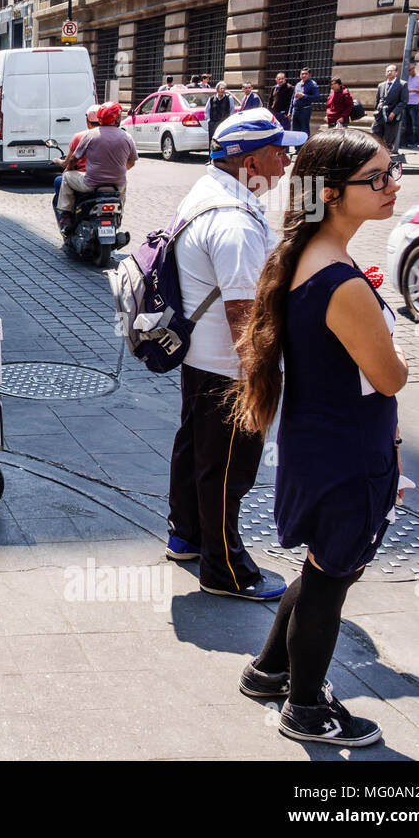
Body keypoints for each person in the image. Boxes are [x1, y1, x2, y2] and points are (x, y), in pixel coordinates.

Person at [232, 127, 404, 747]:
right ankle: (305, 707)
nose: (392, 186)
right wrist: (394, 344)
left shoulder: (304, 254)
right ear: (331, 193)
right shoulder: (341, 281)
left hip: (321, 442)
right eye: (377, 178)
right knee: (331, 583)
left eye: (393, 170)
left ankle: (269, 669)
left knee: (321, 568)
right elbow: (389, 376)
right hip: (348, 454)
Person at [163, 107, 306, 601]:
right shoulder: (235, 223)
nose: (287, 158)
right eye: (278, 149)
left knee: (194, 451)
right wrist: (258, 379)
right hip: (227, 366)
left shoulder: (211, 192)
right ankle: (225, 570)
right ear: (250, 159)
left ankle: (186, 535)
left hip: (202, 360)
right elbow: (245, 314)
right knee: (226, 470)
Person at [54, 102, 137, 231]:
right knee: (124, 182)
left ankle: (65, 215)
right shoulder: (127, 137)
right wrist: (117, 171)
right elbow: (131, 162)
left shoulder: (90, 135)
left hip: (91, 185)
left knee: (65, 177)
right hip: (117, 186)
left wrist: (68, 169)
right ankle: (118, 215)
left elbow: (74, 159)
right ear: (117, 118)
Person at [52, 104, 100, 220]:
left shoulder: (81, 136)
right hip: (110, 181)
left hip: (86, 179)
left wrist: (57, 161)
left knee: (60, 180)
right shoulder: (114, 137)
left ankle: (66, 214)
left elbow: (69, 162)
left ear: (88, 121)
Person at [371, 64, 405, 150]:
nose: (389, 72)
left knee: (388, 141)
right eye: (387, 71)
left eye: (391, 71)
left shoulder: (402, 84)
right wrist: (376, 111)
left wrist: (394, 113)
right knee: (374, 137)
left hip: (391, 117)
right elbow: (377, 100)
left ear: (396, 72)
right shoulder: (381, 85)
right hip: (380, 116)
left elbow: (403, 101)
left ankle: (386, 159)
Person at [403, 63, 419, 149]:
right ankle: (409, 142)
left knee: (416, 124)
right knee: (407, 124)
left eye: (409, 70)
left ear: (414, 68)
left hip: (416, 104)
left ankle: (418, 142)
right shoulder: (408, 76)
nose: (409, 73)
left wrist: (413, 90)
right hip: (406, 103)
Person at [291, 68, 319, 136]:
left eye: (305, 74)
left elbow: (316, 96)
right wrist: (290, 111)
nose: (303, 75)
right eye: (302, 74)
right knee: (295, 130)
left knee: (304, 130)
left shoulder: (312, 84)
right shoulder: (298, 84)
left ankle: (304, 146)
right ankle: (297, 146)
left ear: (309, 75)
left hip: (305, 110)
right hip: (295, 110)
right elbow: (292, 98)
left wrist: (304, 96)